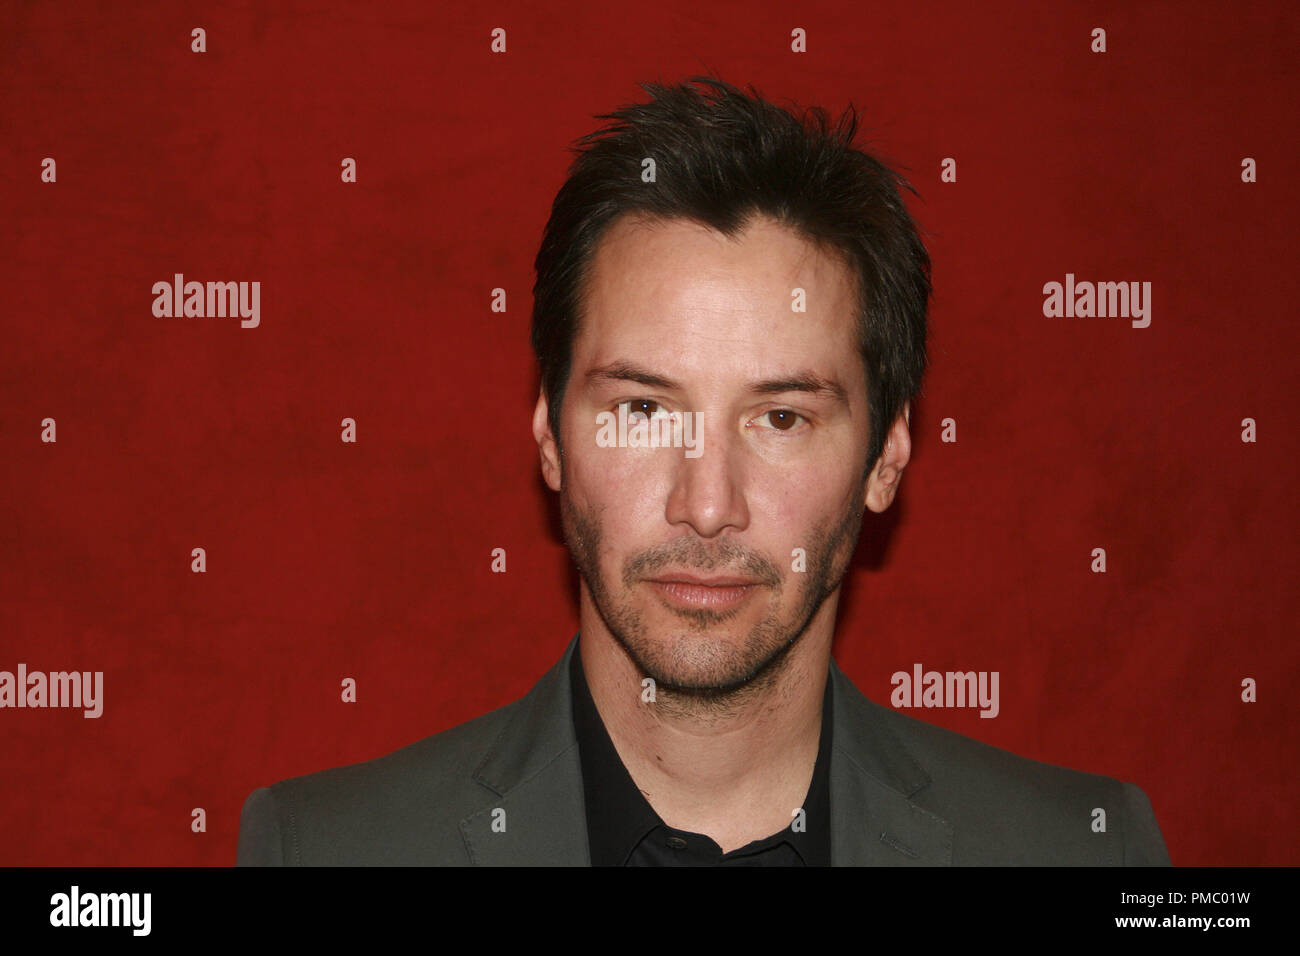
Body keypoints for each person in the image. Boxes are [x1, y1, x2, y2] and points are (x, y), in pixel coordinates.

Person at [236, 75, 1171, 866]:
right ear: (550, 436)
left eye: (779, 417)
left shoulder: (1083, 849)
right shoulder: (323, 848)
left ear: (887, 458)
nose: (707, 504)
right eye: (644, 409)